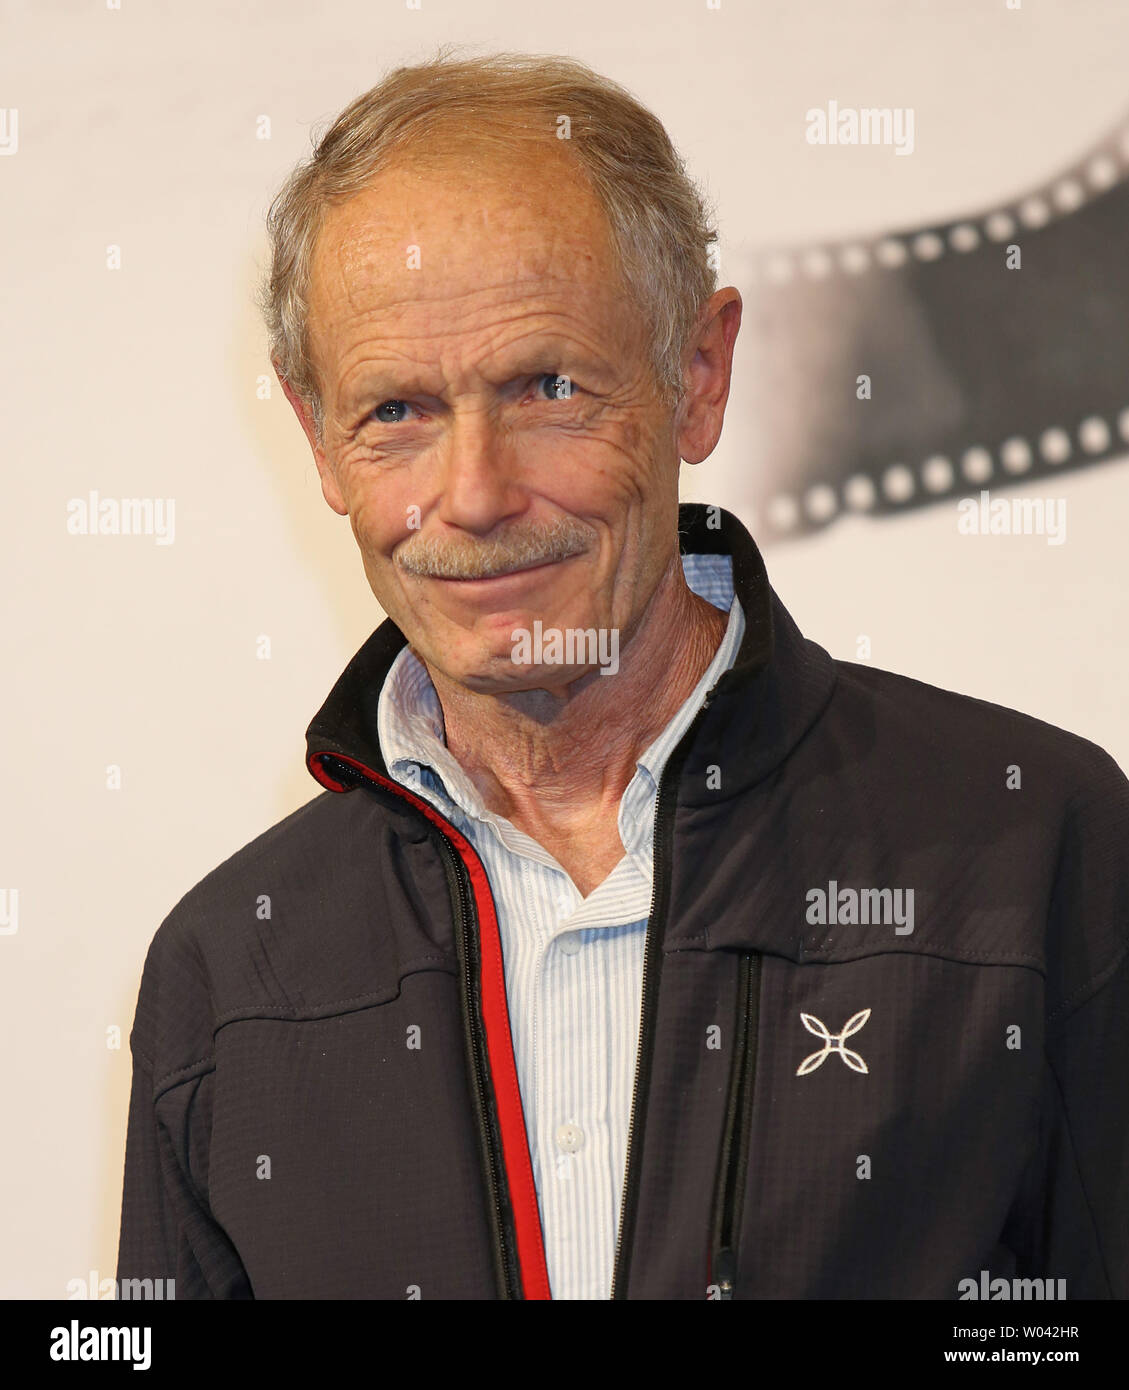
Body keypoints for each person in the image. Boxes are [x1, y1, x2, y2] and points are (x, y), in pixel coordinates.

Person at [115, 49, 1129, 1300]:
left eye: (547, 386)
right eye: (395, 412)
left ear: (695, 376)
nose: (474, 494)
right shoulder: (229, 972)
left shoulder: (1032, 849)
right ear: (319, 439)